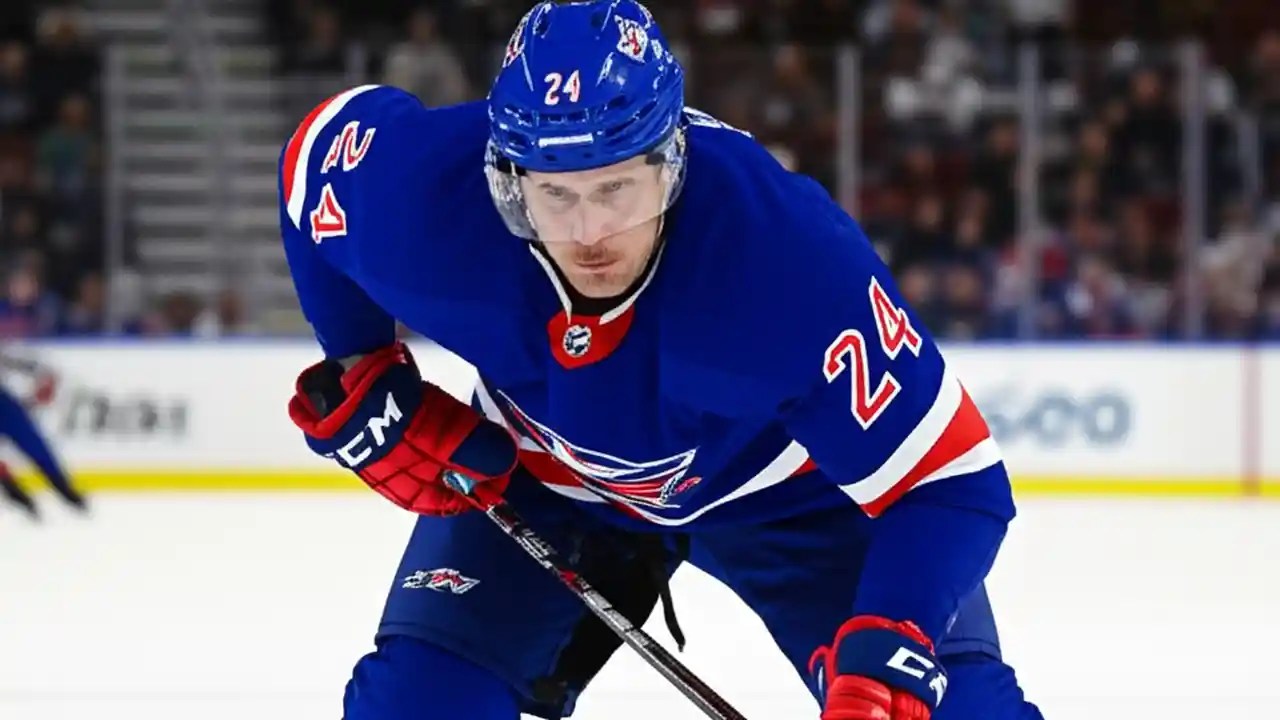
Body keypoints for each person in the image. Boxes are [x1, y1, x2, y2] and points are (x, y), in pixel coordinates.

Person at [278, 2, 1043, 718]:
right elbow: (309, 159)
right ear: (506, 180)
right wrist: (363, 365)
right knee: (416, 704)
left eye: (617, 188)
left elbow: (954, 485)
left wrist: (889, 644)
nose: (589, 233)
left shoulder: (788, 259)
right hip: (545, 476)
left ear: (670, 161)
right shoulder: (427, 198)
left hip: (795, 498)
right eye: (555, 196)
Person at [0, 351, 86, 517]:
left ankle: (62, 487)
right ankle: (13, 490)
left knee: (33, 444)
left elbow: (23, 364)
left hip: (4, 404)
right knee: (32, 444)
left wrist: (43, 381)